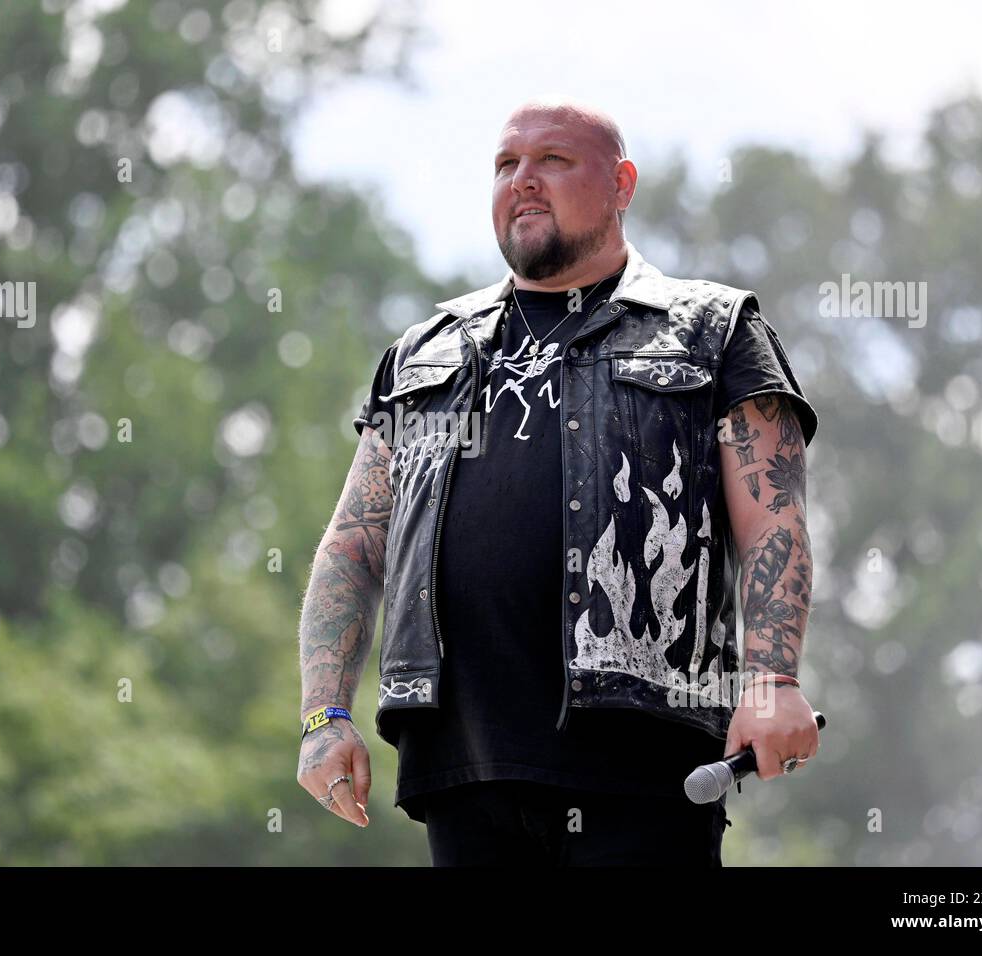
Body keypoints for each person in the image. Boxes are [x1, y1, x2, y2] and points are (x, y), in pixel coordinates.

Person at [296, 96, 822, 866]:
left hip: (645, 763)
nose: (524, 180)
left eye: (553, 161)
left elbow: (775, 518)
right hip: (463, 761)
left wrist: (773, 679)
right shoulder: (425, 352)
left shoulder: (713, 330)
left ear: (621, 185)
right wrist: (322, 716)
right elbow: (353, 543)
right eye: (507, 165)